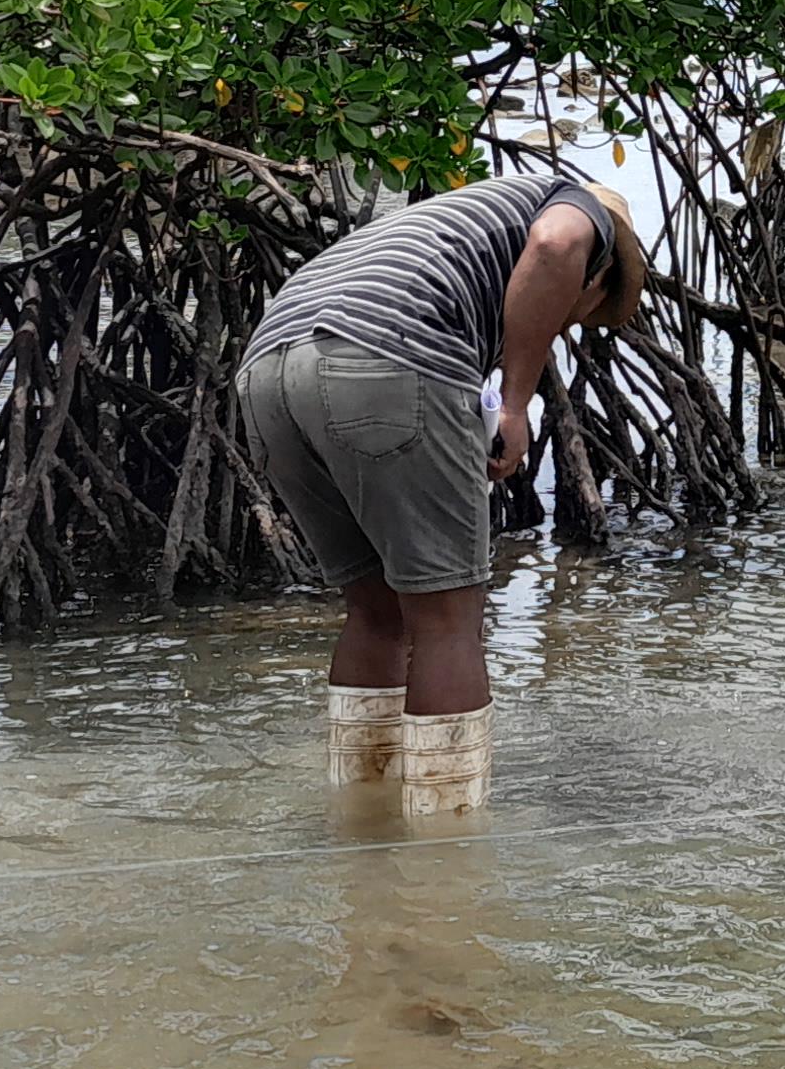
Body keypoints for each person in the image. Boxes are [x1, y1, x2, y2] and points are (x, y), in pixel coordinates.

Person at [238, 172, 645, 818]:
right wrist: (513, 404)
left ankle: (362, 817)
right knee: (448, 624)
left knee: (376, 612)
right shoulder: (580, 211)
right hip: (387, 356)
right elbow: (554, 244)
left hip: (267, 372)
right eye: (582, 313)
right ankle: (444, 851)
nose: (568, 323)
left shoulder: (451, 225)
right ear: (599, 278)